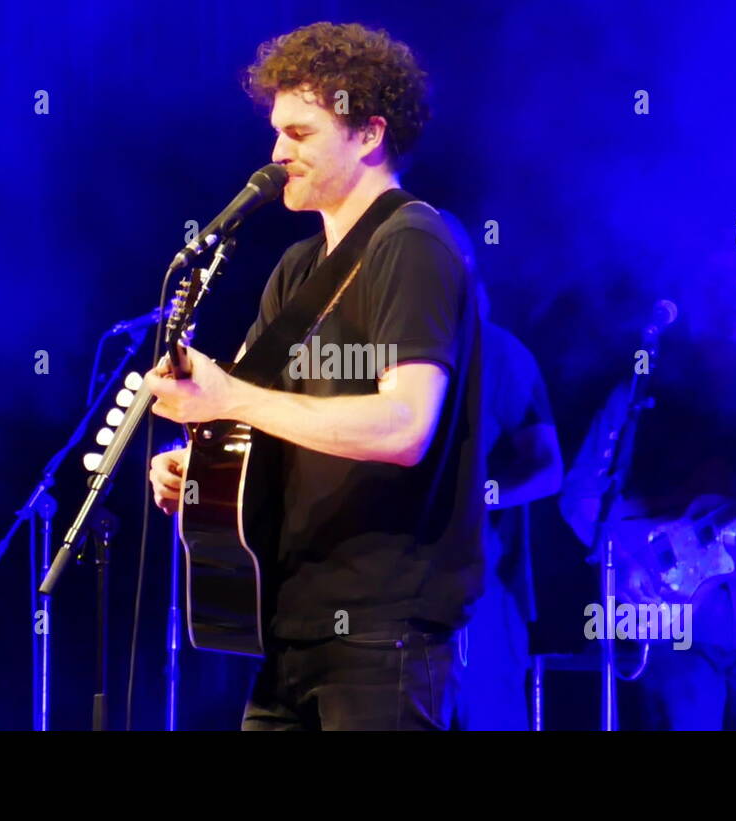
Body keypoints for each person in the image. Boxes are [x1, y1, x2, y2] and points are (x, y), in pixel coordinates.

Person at [145, 21, 484, 731]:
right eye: (276, 133)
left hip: (382, 631)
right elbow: (263, 415)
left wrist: (229, 394)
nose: (276, 153)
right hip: (290, 625)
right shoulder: (298, 268)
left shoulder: (413, 242)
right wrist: (204, 460)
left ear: (368, 134)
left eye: (299, 134)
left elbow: (405, 425)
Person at [560, 252, 736, 730]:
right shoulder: (646, 385)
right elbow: (582, 494)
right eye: (724, 285)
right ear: (694, 297)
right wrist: (630, 562)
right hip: (674, 618)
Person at [440, 210, 564, 730]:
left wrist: (478, 492)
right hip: (382, 592)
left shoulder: (501, 354)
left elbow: (546, 469)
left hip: (480, 592)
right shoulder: (370, 348)